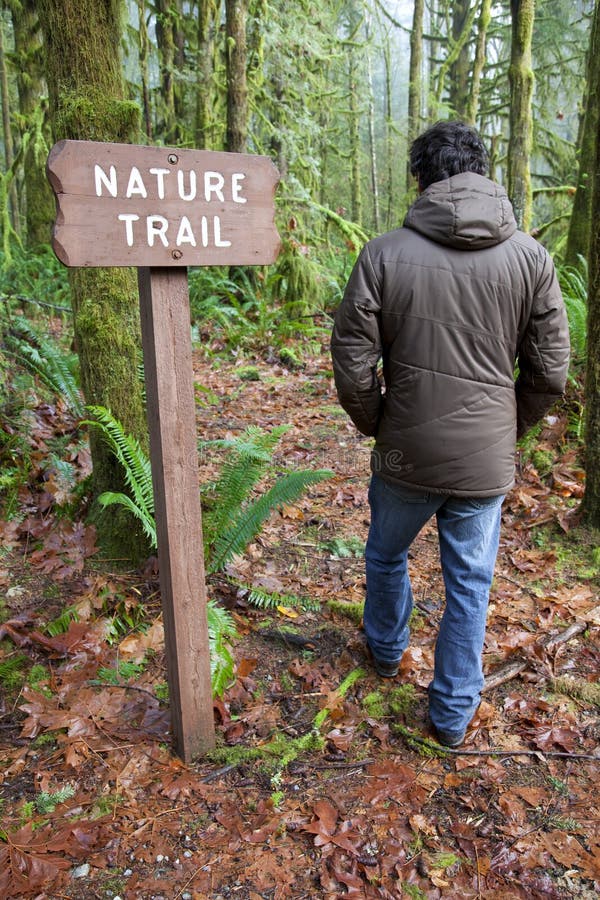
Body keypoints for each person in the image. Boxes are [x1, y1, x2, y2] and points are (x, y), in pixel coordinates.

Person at [330, 120, 570, 748]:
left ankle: (385, 652)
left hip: (405, 450)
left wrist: (379, 423)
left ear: (423, 178)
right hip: (483, 461)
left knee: (386, 555)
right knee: (470, 583)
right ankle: (452, 717)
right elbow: (550, 371)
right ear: (480, 171)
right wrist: (505, 427)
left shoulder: (383, 254)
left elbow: (353, 361)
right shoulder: (531, 258)